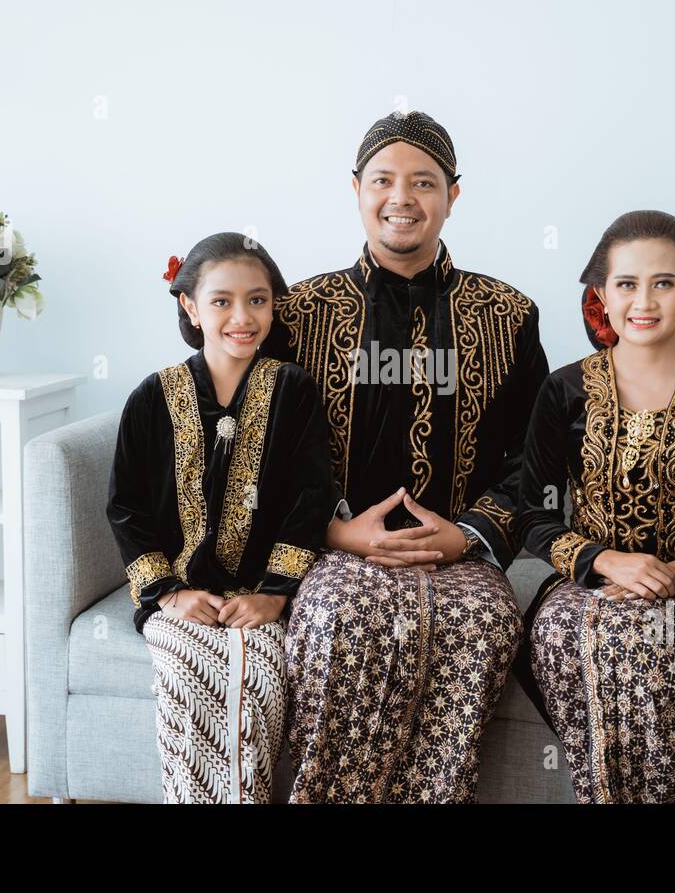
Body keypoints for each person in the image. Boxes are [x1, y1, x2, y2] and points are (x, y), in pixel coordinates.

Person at [267, 109, 549, 802]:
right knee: (338, 619)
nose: (402, 198)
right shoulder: (299, 312)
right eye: (384, 180)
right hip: (337, 551)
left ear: (453, 194)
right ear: (355, 189)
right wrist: (335, 531)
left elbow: (535, 461)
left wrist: (467, 533)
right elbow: (270, 451)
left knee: (483, 622)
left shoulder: (507, 314)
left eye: (424, 182)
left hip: (464, 553)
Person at [516, 210, 675, 803]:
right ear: (600, 295)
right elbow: (533, 516)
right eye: (627, 284)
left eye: (664, 282)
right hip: (583, 588)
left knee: (653, 649)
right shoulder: (563, 390)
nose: (644, 301)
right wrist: (608, 562)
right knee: (602, 640)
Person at [106, 231, 335, 803]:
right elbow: (125, 505)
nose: (242, 316)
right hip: (180, 594)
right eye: (222, 300)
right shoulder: (152, 397)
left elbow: (312, 499)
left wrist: (275, 595)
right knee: (184, 674)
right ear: (189, 305)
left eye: (257, 299)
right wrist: (168, 595)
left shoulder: (294, 391)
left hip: (261, 594)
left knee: (257, 682)